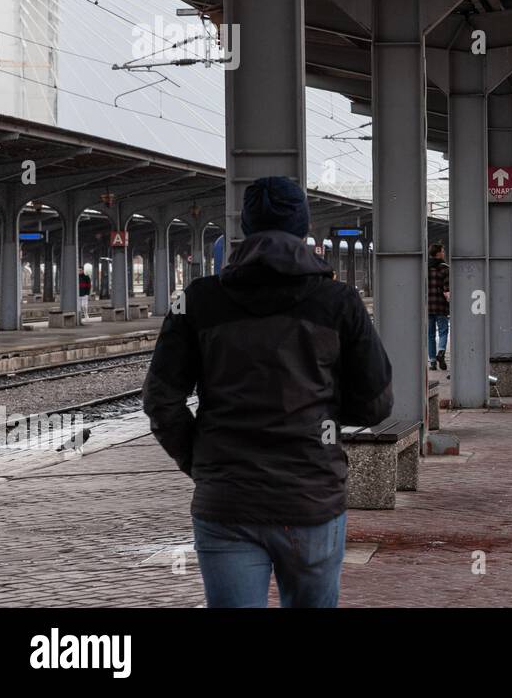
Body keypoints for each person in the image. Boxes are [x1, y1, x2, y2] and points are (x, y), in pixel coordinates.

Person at [143, 176, 392, 608]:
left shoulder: (199, 299)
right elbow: (377, 404)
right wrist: (326, 416)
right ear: (304, 227)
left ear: (246, 225)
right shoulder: (338, 301)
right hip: (311, 496)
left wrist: (200, 461)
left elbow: (161, 400)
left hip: (228, 500)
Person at [427, 243, 450, 370]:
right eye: (442, 250)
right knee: (443, 331)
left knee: (430, 334)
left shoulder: (424, 268)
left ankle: (433, 362)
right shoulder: (445, 268)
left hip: (428, 306)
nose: (444, 253)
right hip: (441, 305)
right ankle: (441, 352)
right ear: (438, 253)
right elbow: (447, 290)